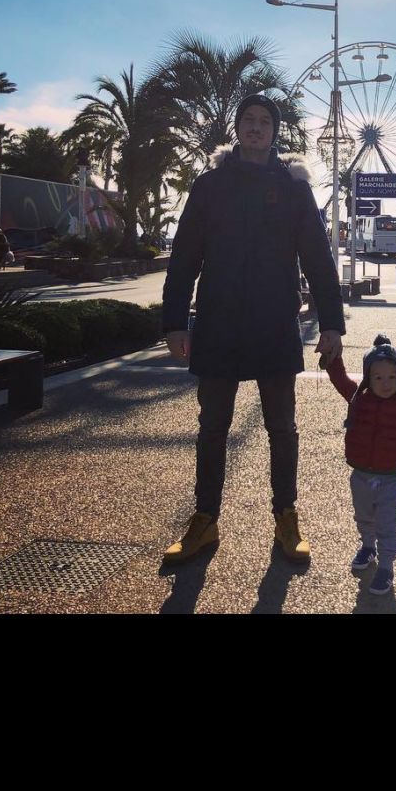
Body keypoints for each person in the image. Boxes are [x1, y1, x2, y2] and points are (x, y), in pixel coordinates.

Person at [161, 93, 345, 565]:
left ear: (275, 131)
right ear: (237, 128)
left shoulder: (293, 189)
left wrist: (332, 323)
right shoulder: (208, 187)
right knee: (212, 428)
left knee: (282, 427)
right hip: (218, 321)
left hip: (273, 323)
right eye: (249, 120)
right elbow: (184, 259)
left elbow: (318, 261)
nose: (257, 128)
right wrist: (175, 322)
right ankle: (204, 520)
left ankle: (286, 516)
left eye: (265, 121)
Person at [325, 334, 396, 595]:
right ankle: (367, 546)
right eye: (377, 377)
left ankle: (386, 565)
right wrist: (334, 359)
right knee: (364, 516)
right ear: (368, 378)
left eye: (391, 377)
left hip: (389, 479)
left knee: (387, 524)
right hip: (360, 476)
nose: (385, 383)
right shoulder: (359, 398)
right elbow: (340, 380)